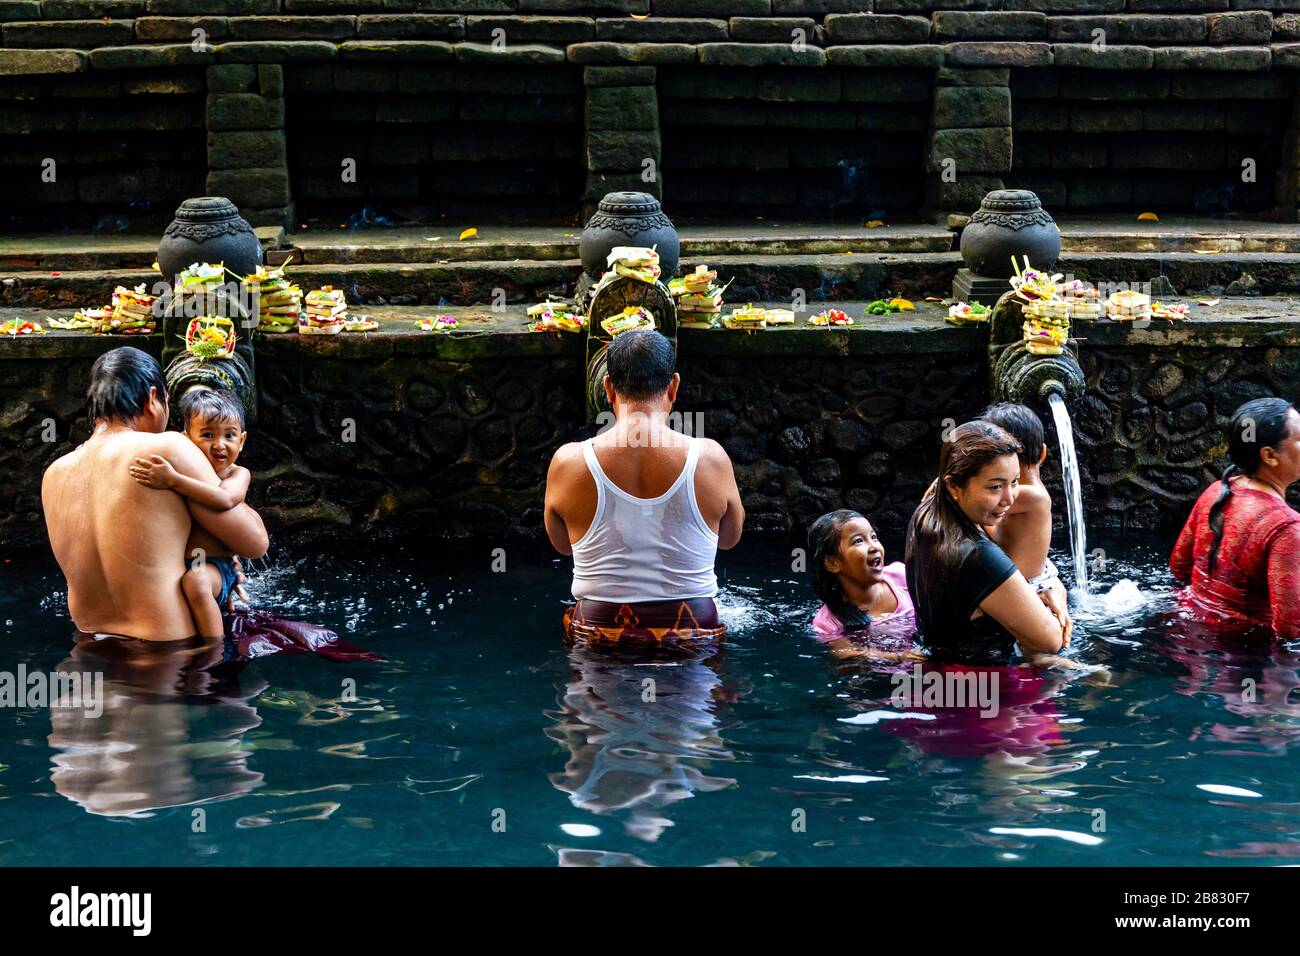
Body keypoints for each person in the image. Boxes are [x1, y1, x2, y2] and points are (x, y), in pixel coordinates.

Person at [41, 347, 269, 641]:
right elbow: (254, 543)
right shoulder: (166, 449)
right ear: (152, 399)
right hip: (170, 652)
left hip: (89, 648)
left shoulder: (54, 474)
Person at [544, 329, 744, 644]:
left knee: (596, 690)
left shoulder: (568, 462)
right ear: (674, 386)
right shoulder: (710, 458)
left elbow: (563, 545)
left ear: (608, 387)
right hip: (693, 633)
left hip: (599, 635)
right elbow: (729, 539)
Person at [904, 420, 1066, 664]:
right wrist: (1055, 591)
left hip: (942, 672)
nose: (1009, 498)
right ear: (954, 486)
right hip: (992, 688)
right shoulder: (976, 556)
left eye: (1014, 482)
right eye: (995, 487)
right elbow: (1051, 640)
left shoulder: (927, 514)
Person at [128, 388, 254, 640]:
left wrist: (173, 480)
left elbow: (225, 499)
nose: (219, 444)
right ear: (188, 439)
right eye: (207, 435)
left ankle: (215, 649)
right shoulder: (185, 467)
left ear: (241, 440)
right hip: (179, 563)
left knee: (196, 582)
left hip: (215, 566)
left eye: (230, 436)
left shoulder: (237, 474)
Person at [1170, 397, 1300, 639]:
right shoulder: (1286, 526)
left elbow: (1179, 568)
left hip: (1187, 632)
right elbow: (1290, 628)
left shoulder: (1215, 492)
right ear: (1270, 455)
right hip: (1243, 654)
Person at [978, 402, 1072, 642]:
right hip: (1032, 582)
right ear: (1042, 452)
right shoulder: (1031, 494)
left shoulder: (1029, 495)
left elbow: (957, 504)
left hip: (1029, 590)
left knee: (1035, 655)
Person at [807, 509, 921, 662]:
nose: (873, 546)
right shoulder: (828, 622)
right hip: (882, 678)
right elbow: (847, 653)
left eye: (873, 537)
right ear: (832, 563)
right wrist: (899, 657)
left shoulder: (901, 576)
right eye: (858, 541)